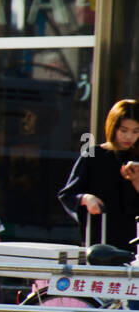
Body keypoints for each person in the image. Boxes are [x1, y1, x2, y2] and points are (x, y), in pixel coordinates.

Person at [58, 98, 139, 253]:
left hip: (134, 242)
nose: (129, 137)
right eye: (123, 130)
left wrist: (136, 180)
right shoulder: (93, 156)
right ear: (112, 127)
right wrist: (86, 199)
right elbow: (68, 194)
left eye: (135, 131)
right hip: (100, 240)